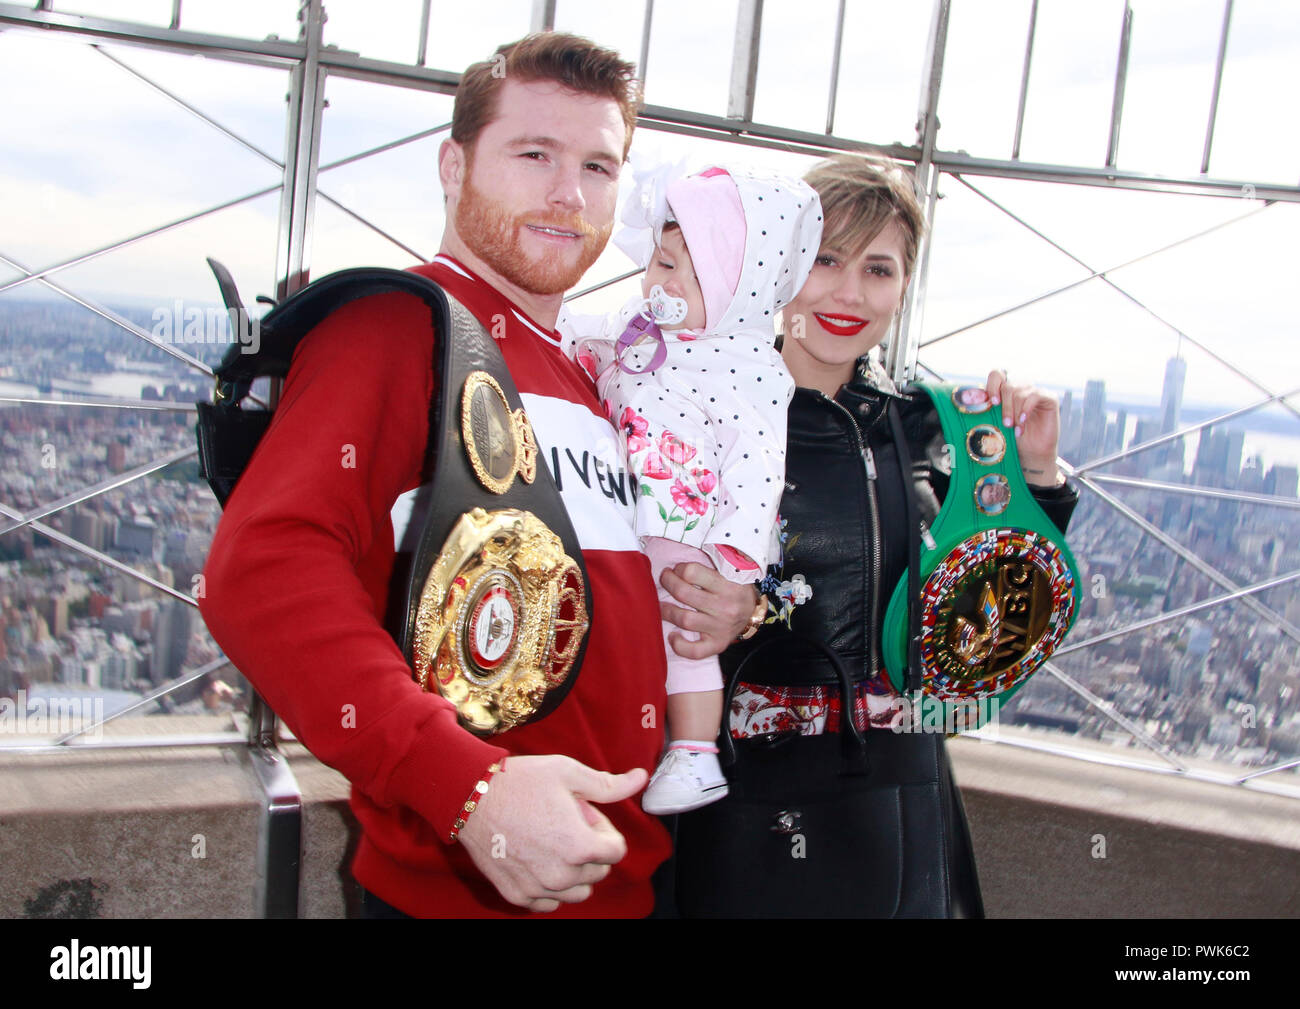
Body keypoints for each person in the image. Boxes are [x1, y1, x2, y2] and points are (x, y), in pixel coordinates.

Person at [198, 33, 754, 919]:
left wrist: (719, 606)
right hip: (462, 893)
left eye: (599, 167)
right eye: (533, 154)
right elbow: (260, 568)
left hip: (622, 883)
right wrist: (468, 788)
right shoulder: (397, 327)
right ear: (453, 166)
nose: (569, 194)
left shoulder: (594, 374)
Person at [664, 153, 1079, 917]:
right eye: (826, 259)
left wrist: (1036, 480)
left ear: (905, 285)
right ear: (779, 258)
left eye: (879, 269)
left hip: (906, 791)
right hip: (752, 801)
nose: (850, 293)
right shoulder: (700, 411)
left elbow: (991, 612)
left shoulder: (926, 424)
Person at [562, 164, 820, 815]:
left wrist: (737, 555)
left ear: (739, 289)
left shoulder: (749, 365)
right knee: (622, 626)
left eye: (691, 273)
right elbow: (591, 337)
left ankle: (696, 752)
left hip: (685, 519)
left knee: (684, 634)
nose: (664, 282)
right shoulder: (640, 324)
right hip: (620, 507)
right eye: (662, 261)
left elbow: (758, 465)